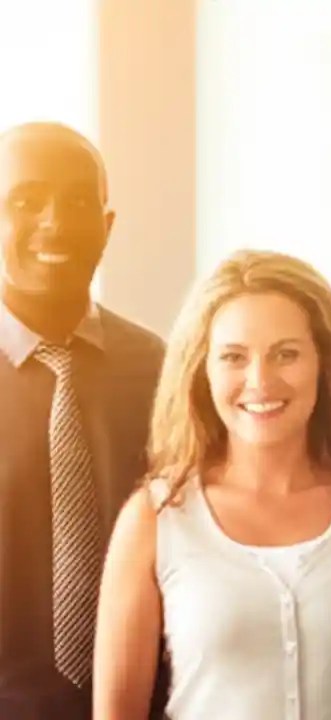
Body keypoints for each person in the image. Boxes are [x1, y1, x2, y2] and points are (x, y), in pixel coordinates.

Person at [93, 250, 331, 719]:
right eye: (234, 357)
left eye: (286, 354)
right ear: (202, 370)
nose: (260, 381)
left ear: (325, 361)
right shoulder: (154, 519)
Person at [0, 121, 165, 719]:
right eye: (25, 200)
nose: (54, 221)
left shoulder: (162, 370)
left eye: (77, 202)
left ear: (108, 225)